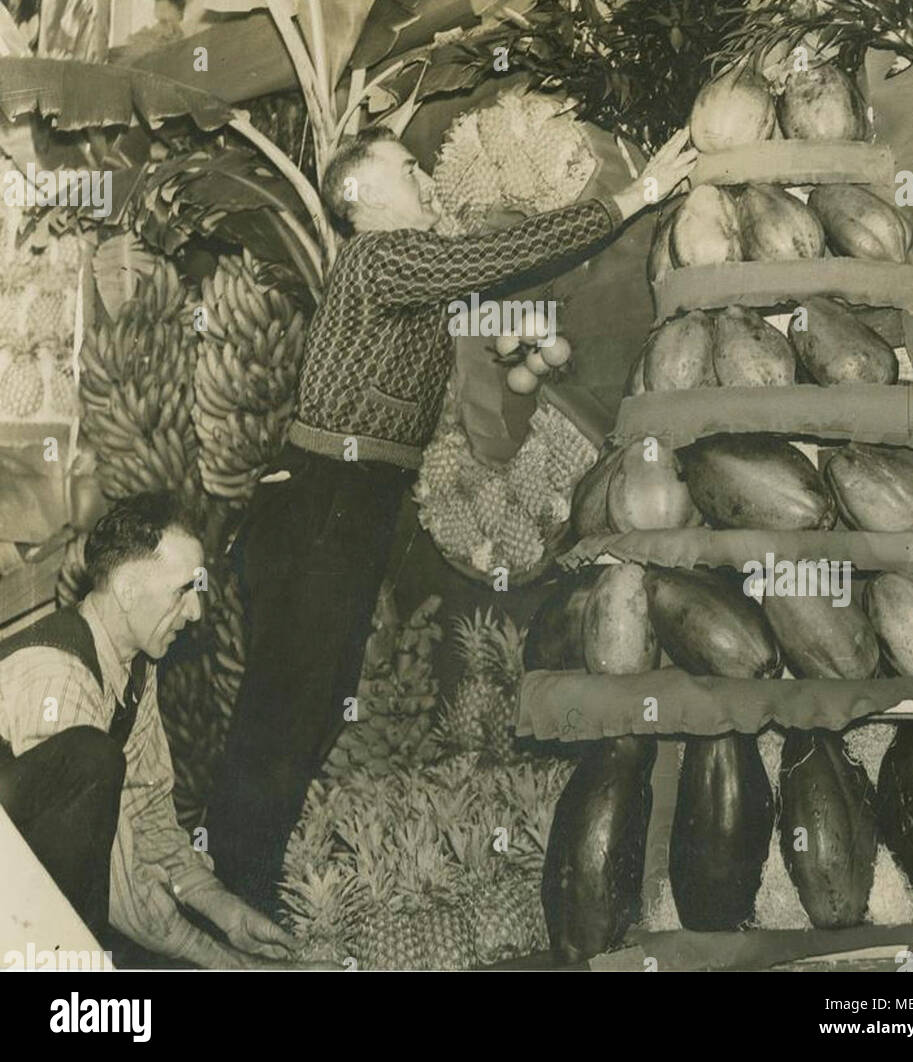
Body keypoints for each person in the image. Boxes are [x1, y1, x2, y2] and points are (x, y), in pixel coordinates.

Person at [208, 125, 696, 911]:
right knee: (287, 702)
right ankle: (232, 900)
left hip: (352, 502)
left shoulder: (414, 275)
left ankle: (245, 889)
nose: (425, 177)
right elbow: (491, 261)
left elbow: (491, 288)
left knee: (313, 695)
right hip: (324, 498)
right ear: (362, 197)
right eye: (406, 169)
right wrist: (634, 197)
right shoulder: (380, 257)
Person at [0, 492, 294, 968]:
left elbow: (146, 810)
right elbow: (116, 890)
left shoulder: (132, 662)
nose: (197, 611)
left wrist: (223, 909)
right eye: (184, 590)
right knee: (94, 757)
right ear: (128, 589)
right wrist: (229, 964)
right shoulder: (57, 677)